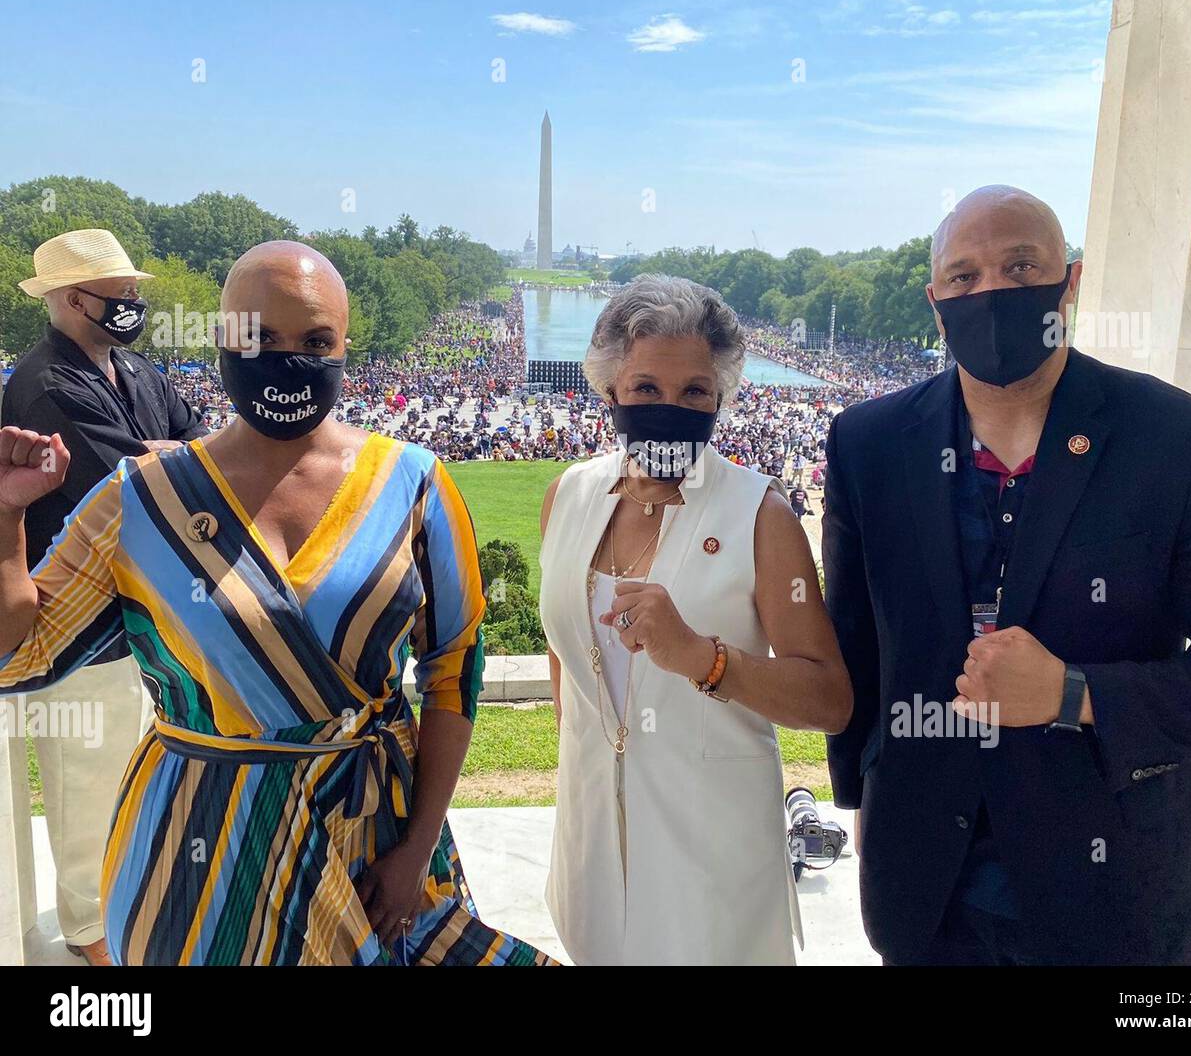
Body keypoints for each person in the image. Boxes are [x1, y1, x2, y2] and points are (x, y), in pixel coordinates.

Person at [0, 241, 555, 966]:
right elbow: (20, 654)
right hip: (193, 860)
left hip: (371, 845)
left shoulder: (415, 485)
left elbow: (453, 674)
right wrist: (8, 518)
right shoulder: (138, 499)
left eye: (314, 340)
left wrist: (417, 849)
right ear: (223, 339)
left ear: (344, 347)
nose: (287, 358)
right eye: (258, 337)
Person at [823, 185, 1191, 965]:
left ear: (1069, 283)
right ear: (936, 300)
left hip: (1111, 904)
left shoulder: (1179, 443)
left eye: (1021, 266)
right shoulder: (868, 444)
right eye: (966, 276)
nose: (995, 292)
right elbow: (858, 653)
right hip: (925, 899)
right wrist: (859, 796)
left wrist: (1075, 696)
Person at [539, 274, 853, 965]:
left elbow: (829, 699)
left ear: (721, 398)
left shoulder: (760, 516)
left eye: (695, 393)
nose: (669, 408)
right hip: (593, 846)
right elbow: (569, 657)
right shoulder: (567, 498)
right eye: (648, 389)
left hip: (713, 862)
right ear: (610, 388)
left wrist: (705, 660)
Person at [2, 229, 206, 965]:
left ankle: (128, 906)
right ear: (68, 300)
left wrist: (171, 458)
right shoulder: (44, 385)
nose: (131, 304)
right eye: (117, 295)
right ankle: (91, 931)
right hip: (74, 620)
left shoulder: (135, 372)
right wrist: (172, 459)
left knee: (136, 767)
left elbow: (198, 446)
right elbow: (131, 487)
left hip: (139, 611)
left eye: (131, 293)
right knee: (87, 777)